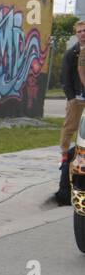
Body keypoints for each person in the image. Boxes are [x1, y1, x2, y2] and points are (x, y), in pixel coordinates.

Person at [55, 20, 85, 205]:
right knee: (70, 127)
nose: (82, 33)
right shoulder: (71, 53)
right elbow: (65, 76)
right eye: (80, 31)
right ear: (76, 34)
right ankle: (65, 154)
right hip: (77, 98)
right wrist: (71, 97)